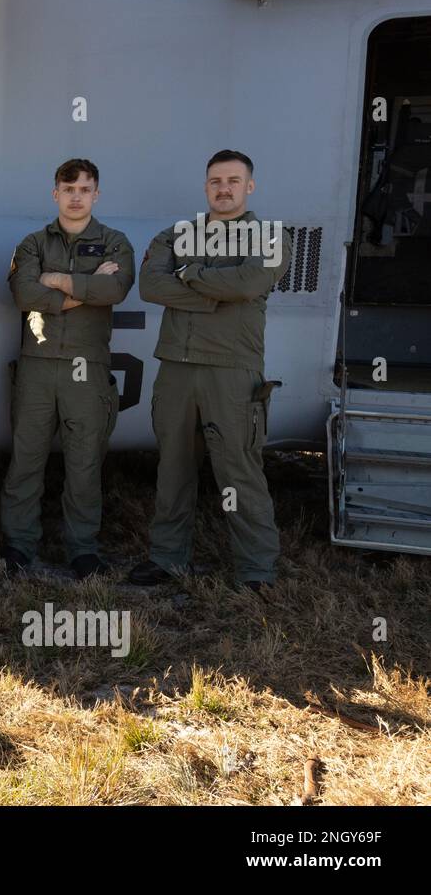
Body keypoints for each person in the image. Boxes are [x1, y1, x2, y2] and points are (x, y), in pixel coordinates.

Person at [131, 150, 288, 592]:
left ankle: (256, 570)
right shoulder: (177, 234)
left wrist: (190, 273)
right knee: (173, 467)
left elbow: (249, 283)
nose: (224, 188)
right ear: (206, 186)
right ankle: (167, 558)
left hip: (232, 369)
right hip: (177, 368)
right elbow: (150, 285)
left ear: (249, 186)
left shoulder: (269, 236)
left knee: (239, 469)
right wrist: (212, 293)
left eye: (234, 181)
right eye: (216, 180)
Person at [0, 159, 135, 580]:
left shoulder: (115, 242)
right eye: (68, 188)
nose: (76, 196)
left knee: (84, 463)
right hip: (37, 365)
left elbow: (115, 289)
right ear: (55, 193)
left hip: (86, 366)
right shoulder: (32, 244)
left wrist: (54, 282)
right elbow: (24, 293)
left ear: (97, 194)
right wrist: (84, 284)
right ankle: (19, 545)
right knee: (26, 461)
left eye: (85, 189)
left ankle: (82, 548)